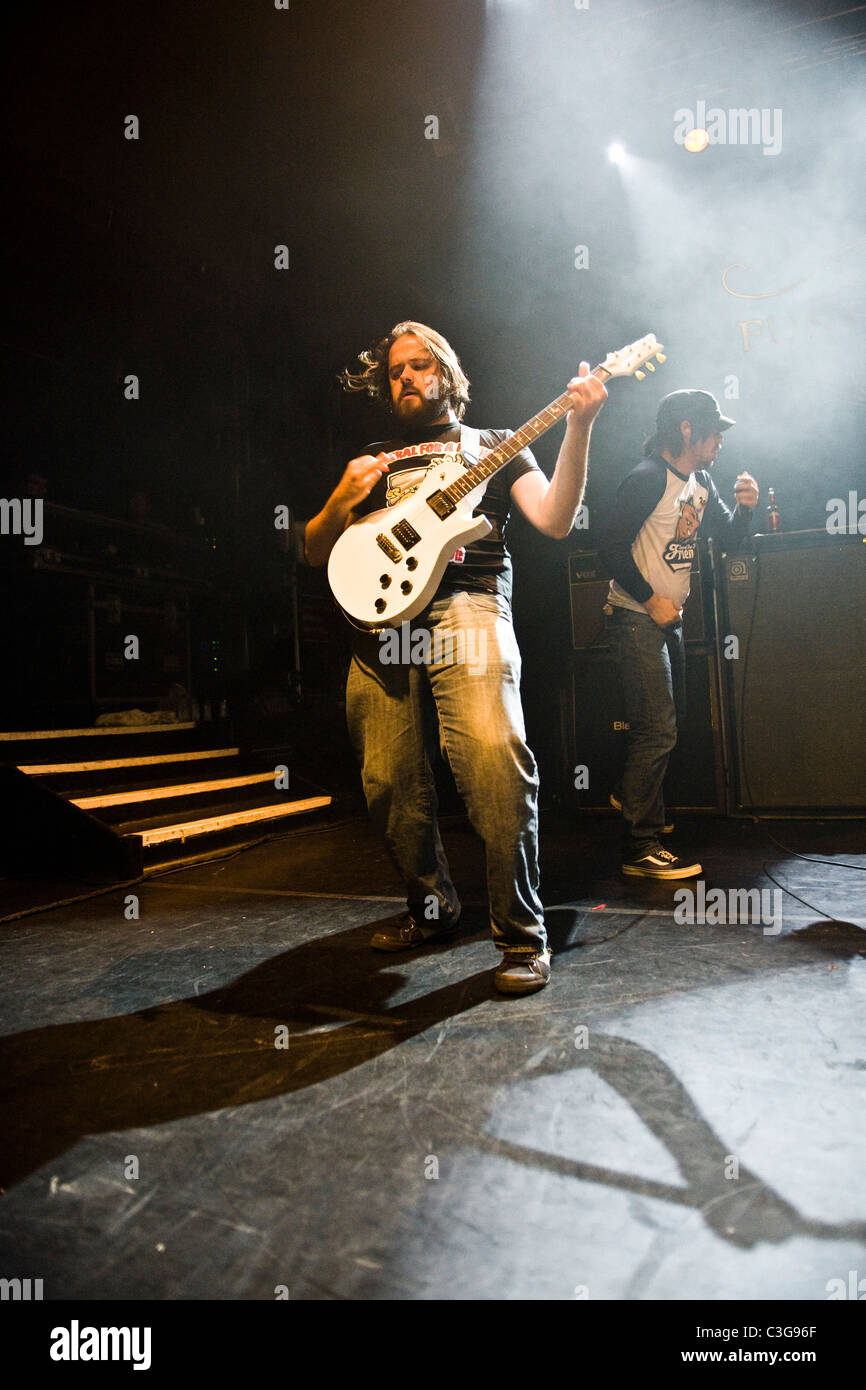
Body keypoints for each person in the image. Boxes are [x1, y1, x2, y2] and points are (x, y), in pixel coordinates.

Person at [305, 321, 607, 994]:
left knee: (496, 762)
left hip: (466, 607)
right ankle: (433, 911)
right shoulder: (374, 456)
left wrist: (579, 427)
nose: (406, 377)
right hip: (381, 627)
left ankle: (523, 938)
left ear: (447, 372)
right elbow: (316, 548)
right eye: (395, 372)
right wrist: (339, 500)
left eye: (419, 365)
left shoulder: (496, 446)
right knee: (387, 781)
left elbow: (555, 519)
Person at [600, 389, 759, 878]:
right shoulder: (648, 478)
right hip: (635, 616)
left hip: (668, 620)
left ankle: (634, 798)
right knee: (657, 728)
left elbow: (729, 539)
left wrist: (746, 508)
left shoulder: (702, 480)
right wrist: (650, 599)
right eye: (714, 431)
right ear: (687, 429)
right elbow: (606, 545)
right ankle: (639, 844)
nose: (720, 441)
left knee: (672, 721)